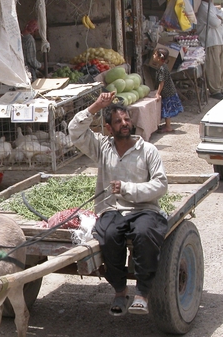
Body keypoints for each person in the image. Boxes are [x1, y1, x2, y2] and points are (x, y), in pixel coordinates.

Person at [68, 92, 169, 316]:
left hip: (144, 209)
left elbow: (161, 185)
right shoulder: (102, 147)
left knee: (144, 233)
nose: (124, 124)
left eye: (126, 119)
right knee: (109, 236)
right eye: (118, 121)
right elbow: (74, 131)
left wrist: (127, 189)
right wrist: (95, 105)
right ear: (108, 127)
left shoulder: (147, 150)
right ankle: (120, 291)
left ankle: (142, 293)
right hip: (112, 209)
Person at [196, 0, 223, 100]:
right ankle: (215, 90)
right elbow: (214, 22)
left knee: (221, 66)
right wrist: (220, 19)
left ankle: (221, 87)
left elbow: (222, 15)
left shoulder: (211, 7)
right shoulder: (203, 8)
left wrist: (221, 18)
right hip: (211, 40)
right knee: (214, 67)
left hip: (219, 40)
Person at [152, 47, 183, 133]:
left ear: (159, 58)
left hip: (167, 92)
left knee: (167, 109)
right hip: (169, 91)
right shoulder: (163, 66)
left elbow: (162, 82)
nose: (153, 56)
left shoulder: (162, 68)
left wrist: (157, 93)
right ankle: (167, 125)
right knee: (167, 109)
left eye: (155, 54)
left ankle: (168, 127)